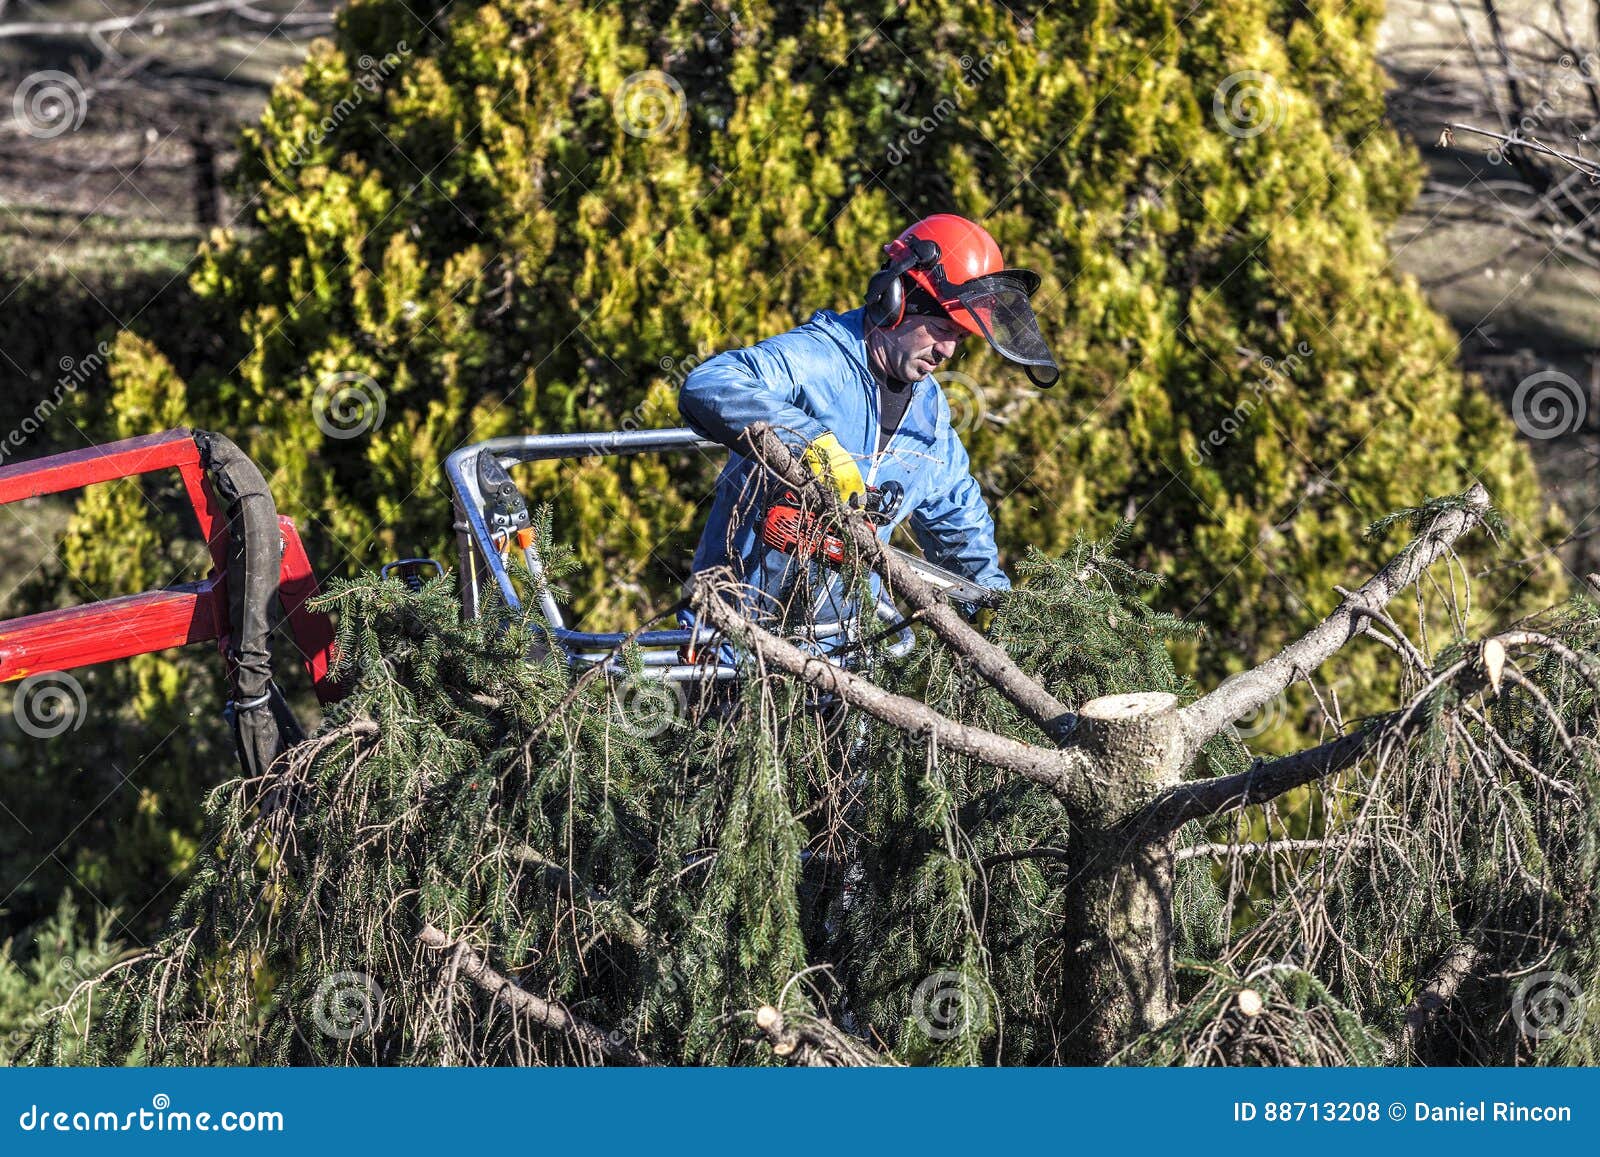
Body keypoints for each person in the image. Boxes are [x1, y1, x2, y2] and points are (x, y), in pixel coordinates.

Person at [677, 212, 1058, 648]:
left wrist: (1003, 611)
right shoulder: (816, 360)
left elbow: (959, 524)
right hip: (734, 638)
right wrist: (809, 442)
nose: (948, 351)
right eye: (939, 329)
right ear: (893, 301)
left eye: (960, 338)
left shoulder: (929, 414)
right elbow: (709, 383)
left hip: (846, 654)